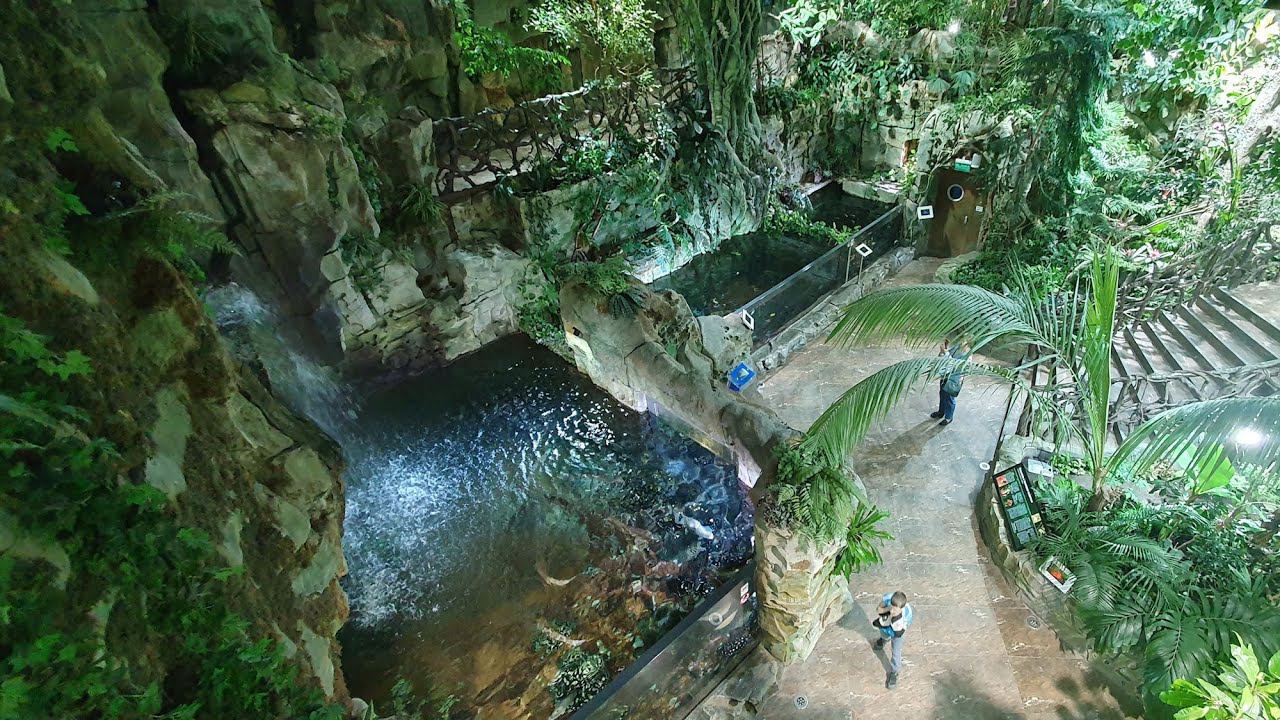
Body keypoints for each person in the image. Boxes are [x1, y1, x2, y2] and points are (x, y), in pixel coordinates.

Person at [872, 590, 913, 689]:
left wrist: (896, 627)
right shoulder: (887, 599)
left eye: (896, 610)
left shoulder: (906, 615)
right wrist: (887, 610)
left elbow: (899, 632)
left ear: (902, 608)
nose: (893, 611)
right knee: (884, 635)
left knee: (896, 651)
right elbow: (878, 609)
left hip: (897, 631)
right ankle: (884, 640)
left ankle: (895, 672)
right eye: (892, 608)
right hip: (886, 625)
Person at [931, 339, 970, 425]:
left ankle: (948, 417)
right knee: (942, 395)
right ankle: (941, 412)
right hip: (946, 375)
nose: (962, 340)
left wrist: (946, 353)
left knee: (949, 399)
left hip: (953, 380)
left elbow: (955, 365)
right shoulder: (958, 347)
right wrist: (944, 350)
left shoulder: (967, 355)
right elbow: (946, 357)